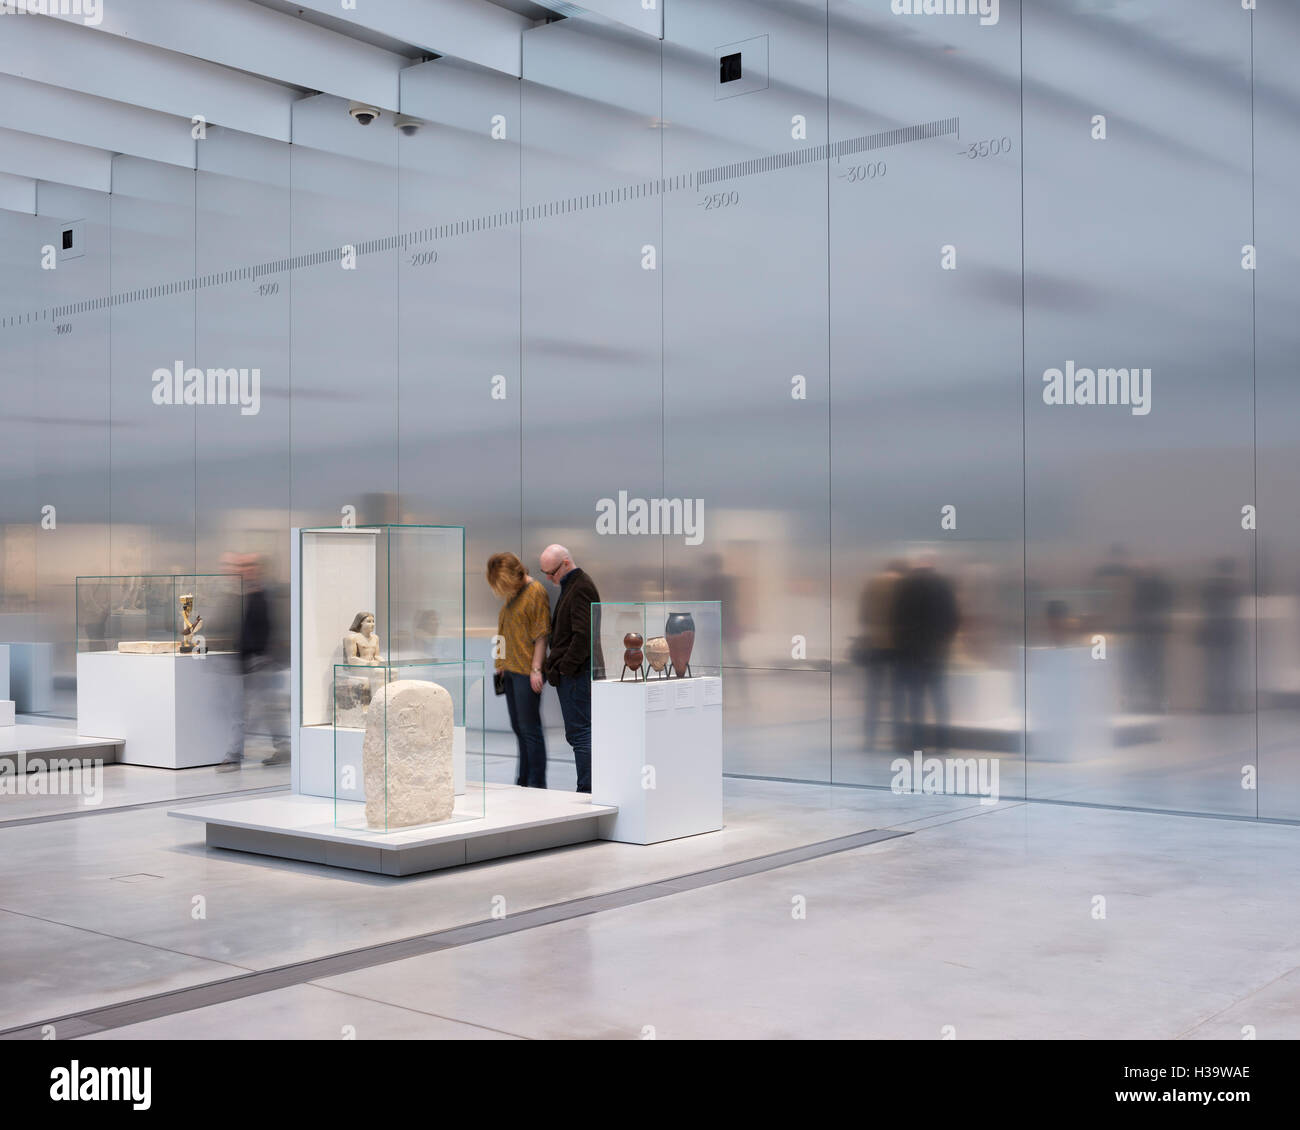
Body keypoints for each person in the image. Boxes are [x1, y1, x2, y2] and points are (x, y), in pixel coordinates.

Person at [220, 553, 290, 770]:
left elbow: (271, 629)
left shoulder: (264, 596)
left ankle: (235, 755)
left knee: (254, 709)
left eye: (248, 565)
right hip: (246, 662)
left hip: (260, 662)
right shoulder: (240, 596)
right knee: (256, 709)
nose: (243, 570)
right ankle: (280, 746)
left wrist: (264, 656)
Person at [539, 544, 600, 793]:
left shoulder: (581, 587)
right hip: (575, 674)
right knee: (580, 733)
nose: (549, 578)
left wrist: (565, 668)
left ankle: (588, 789)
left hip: (577, 675)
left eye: (551, 572)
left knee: (581, 733)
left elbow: (584, 636)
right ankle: (588, 787)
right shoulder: (571, 586)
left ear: (565, 563)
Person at [487, 552, 550, 789]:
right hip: (510, 670)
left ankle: (536, 783)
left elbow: (541, 633)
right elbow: (504, 630)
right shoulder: (512, 595)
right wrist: (500, 664)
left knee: (530, 729)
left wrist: (536, 669)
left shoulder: (535, 592)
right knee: (519, 728)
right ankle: (523, 780)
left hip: (525, 670)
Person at [890, 551, 960, 754]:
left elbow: (898, 619)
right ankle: (943, 742)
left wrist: (901, 644)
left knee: (916, 698)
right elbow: (953, 617)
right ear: (933, 565)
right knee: (939, 696)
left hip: (912, 649)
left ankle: (917, 741)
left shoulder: (905, 585)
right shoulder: (944, 585)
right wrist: (944, 641)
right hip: (937, 649)